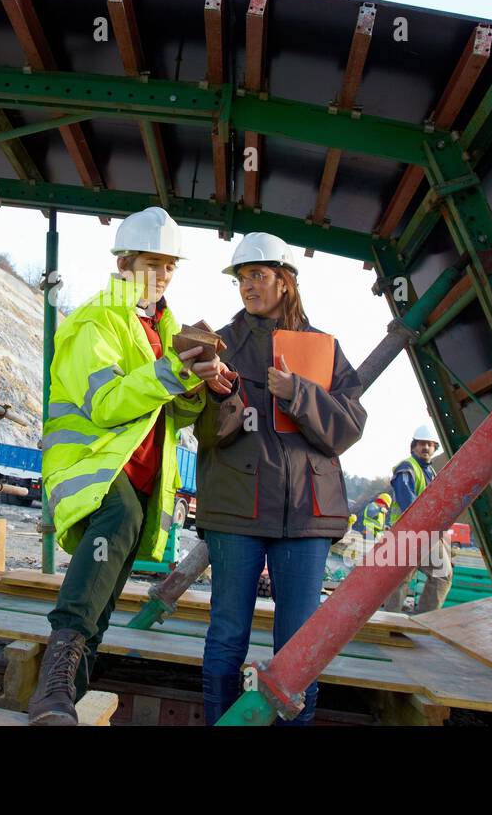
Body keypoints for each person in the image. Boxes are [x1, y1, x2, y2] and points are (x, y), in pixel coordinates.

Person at [27, 207, 233, 726]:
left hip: (142, 471)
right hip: (94, 466)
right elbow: (106, 404)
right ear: (124, 261)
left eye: (170, 266)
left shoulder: (163, 328)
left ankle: (66, 696)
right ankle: (53, 682)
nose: (162, 274)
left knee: (110, 577)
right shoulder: (98, 319)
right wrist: (173, 370)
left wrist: (198, 384)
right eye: (153, 262)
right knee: (116, 524)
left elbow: (171, 413)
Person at [195, 232, 366, 725]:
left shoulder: (324, 348)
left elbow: (349, 427)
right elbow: (204, 434)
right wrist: (218, 394)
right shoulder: (217, 346)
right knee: (227, 633)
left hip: (306, 515)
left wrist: (299, 392)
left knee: (300, 644)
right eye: (242, 278)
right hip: (236, 511)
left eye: (258, 276)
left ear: (285, 283)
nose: (248, 286)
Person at [381, 424, 453, 614]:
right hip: (410, 532)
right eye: (422, 444)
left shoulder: (430, 472)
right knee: (409, 578)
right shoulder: (407, 468)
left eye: (430, 444)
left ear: (435, 448)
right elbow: (408, 502)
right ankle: (394, 620)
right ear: (413, 446)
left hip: (422, 532)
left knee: (406, 578)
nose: (426, 448)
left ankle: (414, 619)